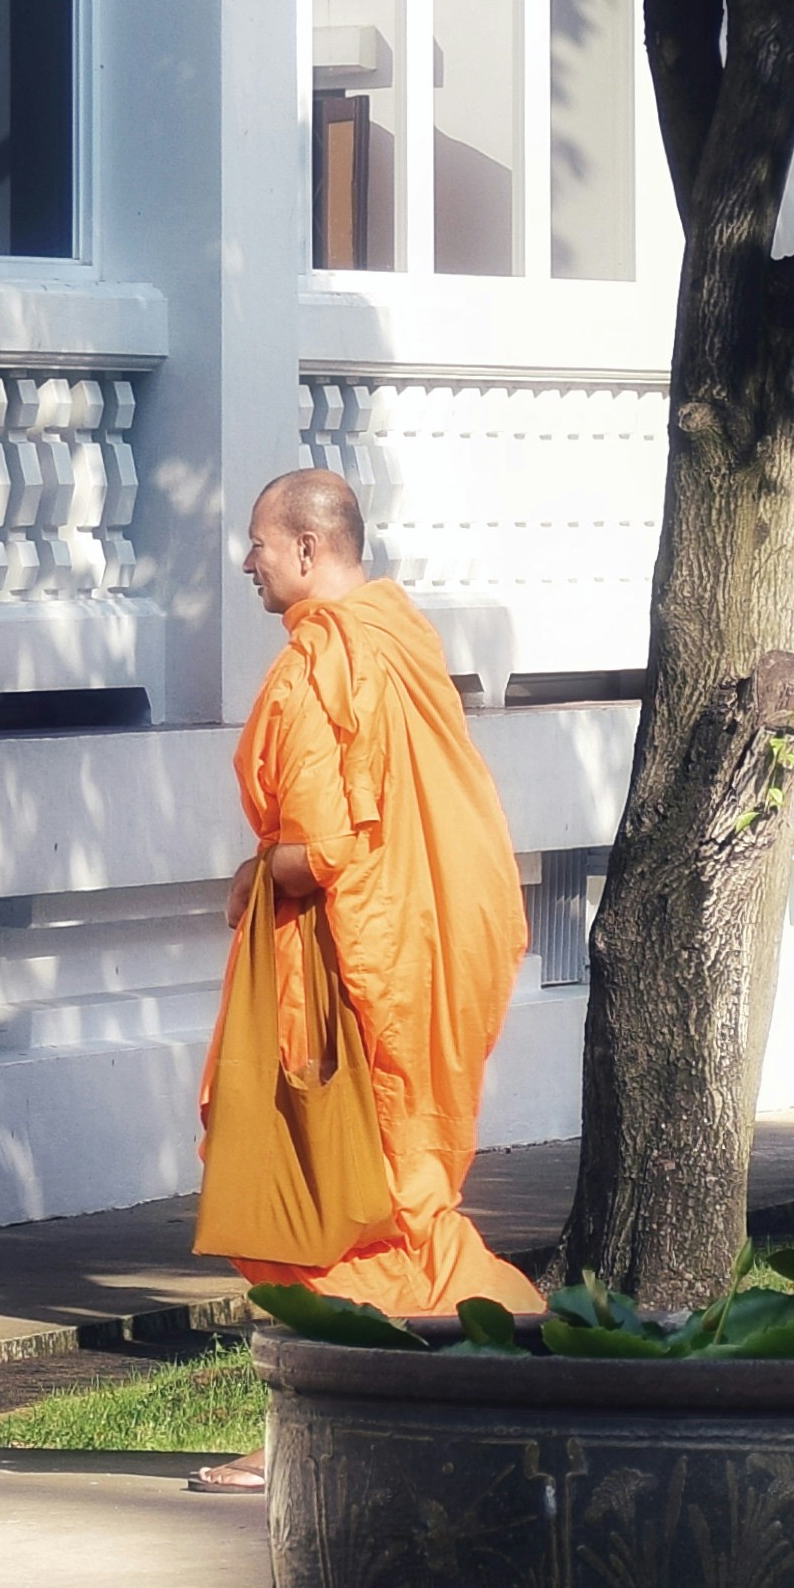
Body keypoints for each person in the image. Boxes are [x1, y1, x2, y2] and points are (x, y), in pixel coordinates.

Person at [190, 469, 540, 1487]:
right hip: (434, 945)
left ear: (306, 549)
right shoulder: (401, 633)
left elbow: (327, 847)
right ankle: (467, 1379)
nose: (247, 563)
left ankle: (336, 1421)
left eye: (256, 544)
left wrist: (257, 870)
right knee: (400, 1192)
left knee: (308, 1182)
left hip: (354, 969)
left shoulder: (321, 660)